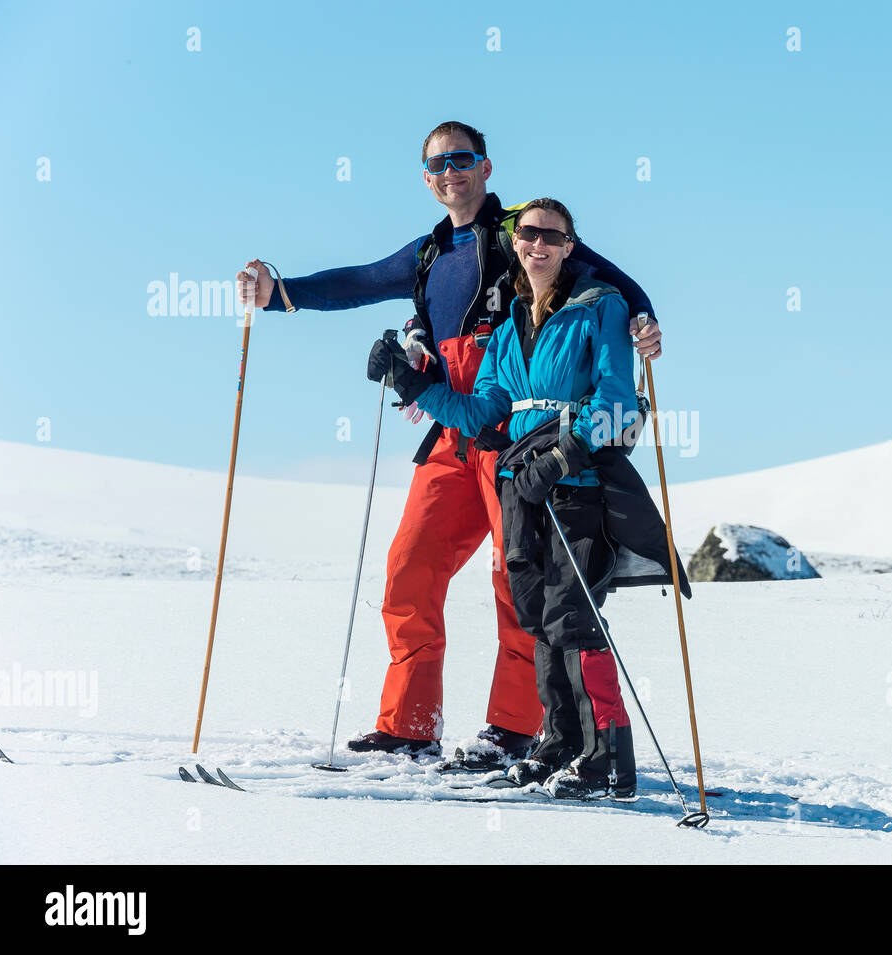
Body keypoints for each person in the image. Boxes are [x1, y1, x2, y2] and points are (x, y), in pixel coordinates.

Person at [236, 122, 662, 769]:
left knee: (512, 579)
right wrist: (280, 294)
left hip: (512, 433)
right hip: (453, 426)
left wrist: (642, 316)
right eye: (437, 163)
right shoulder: (430, 251)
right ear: (426, 177)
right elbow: (358, 281)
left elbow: (609, 278)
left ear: (486, 167)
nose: (450, 171)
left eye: (462, 158)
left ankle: (516, 728)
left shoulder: (521, 228)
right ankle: (410, 723)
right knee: (410, 565)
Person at [410, 198, 690, 799]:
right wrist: (415, 387)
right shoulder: (508, 328)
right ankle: (557, 743)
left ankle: (605, 758)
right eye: (528, 233)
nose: (537, 244)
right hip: (519, 487)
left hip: (578, 486)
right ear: (516, 244)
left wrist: (563, 458)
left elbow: (617, 398)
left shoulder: (600, 309)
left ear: (569, 247)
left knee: (574, 614)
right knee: (537, 616)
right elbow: (484, 414)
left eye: (551, 236)